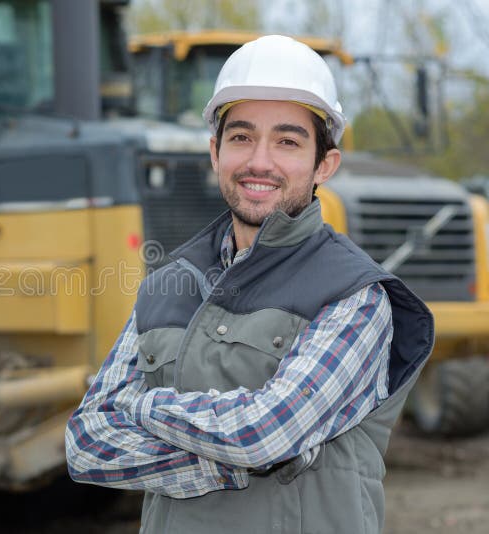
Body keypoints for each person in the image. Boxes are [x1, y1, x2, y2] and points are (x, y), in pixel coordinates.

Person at [65, 35, 433, 533]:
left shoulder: (355, 296)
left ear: (324, 164)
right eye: (241, 137)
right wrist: (226, 466)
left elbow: (264, 435)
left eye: (287, 141)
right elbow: (86, 443)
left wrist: (140, 407)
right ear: (215, 152)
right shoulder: (169, 285)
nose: (260, 161)